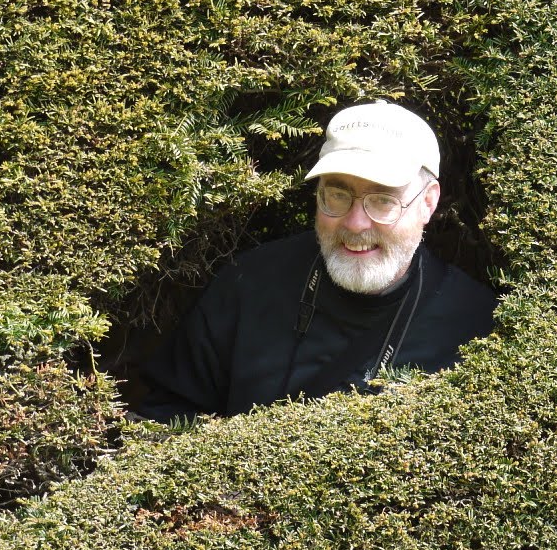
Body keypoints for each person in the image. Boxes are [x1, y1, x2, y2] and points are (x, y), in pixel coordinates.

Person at [136, 101, 497, 422]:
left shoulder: (471, 324)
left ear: (428, 202)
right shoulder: (252, 282)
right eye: (338, 196)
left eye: (383, 201)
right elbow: (166, 415)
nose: (356, 224)